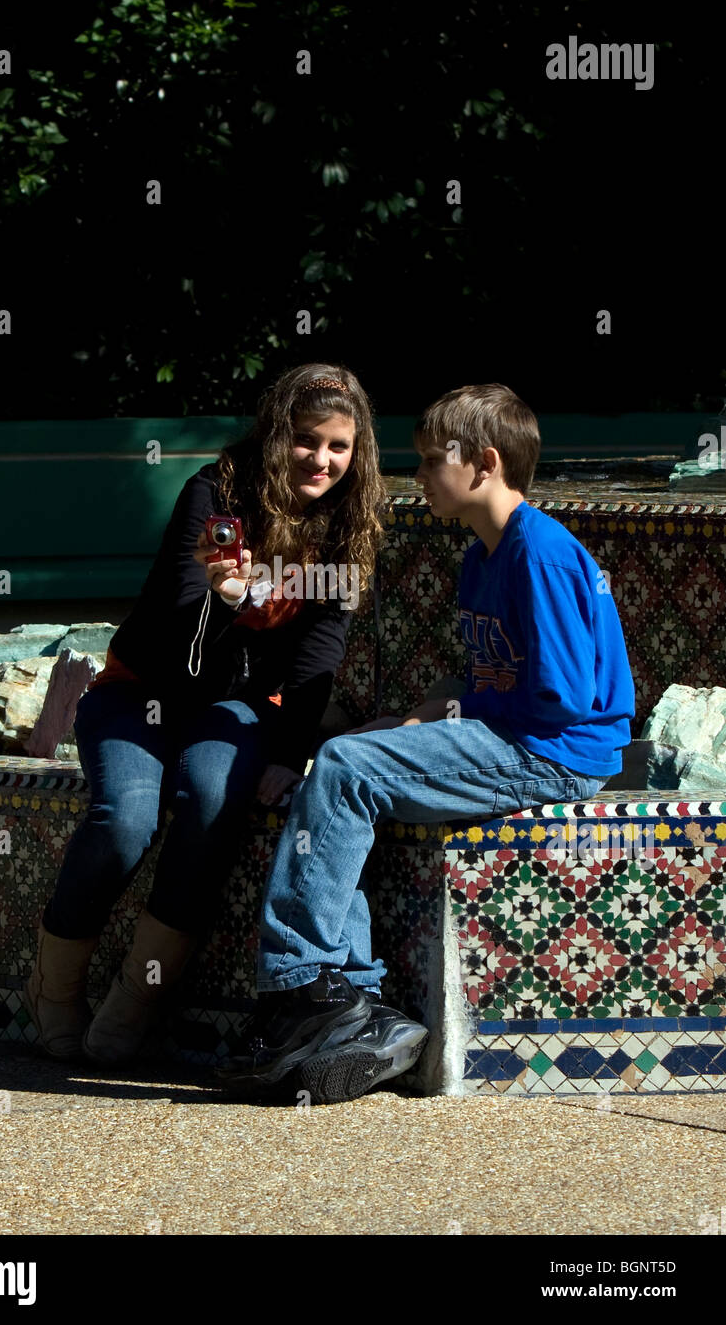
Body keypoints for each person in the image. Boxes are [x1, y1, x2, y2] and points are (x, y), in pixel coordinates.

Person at [217, 383, 636, 1103]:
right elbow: (489, 675)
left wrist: (451, 714)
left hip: (555, 751)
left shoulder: (538, 554)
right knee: (343, 761)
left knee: (347, 766)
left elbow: (560, 695)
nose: (416, 476)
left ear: (483, 463)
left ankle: (303, 982)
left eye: (428, 460)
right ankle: (348, 1000)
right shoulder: (481, 556)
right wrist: (417, 714)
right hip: (514, 734)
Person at [24, 362, 389, 1068]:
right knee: (125, 817)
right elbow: (175, 616)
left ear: (357, 451)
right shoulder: (215, 494)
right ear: (276, 435)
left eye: (337, 447)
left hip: (239, 705)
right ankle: (53, 985)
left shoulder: (345, 520)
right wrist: (224, 601)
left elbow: (320, 650)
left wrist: (288, 751)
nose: (320, 459)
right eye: (305, 440)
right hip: (142, 690)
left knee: (213, 798)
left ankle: (139, 996)